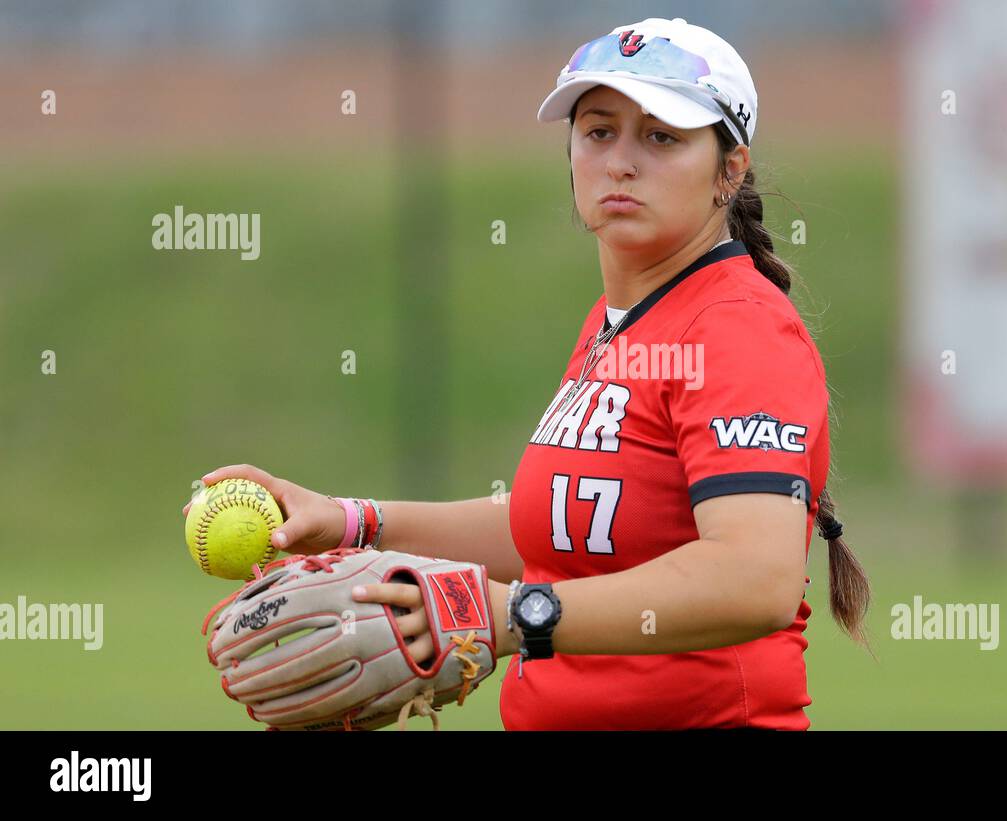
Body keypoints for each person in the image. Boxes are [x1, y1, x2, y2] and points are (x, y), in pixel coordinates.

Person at [185, 16, 868, 730]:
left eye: (662, 135)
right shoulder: (624, 321)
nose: (621, 161)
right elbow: (559, 530)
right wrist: (356, 523)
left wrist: (515, 614)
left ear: (730, 167)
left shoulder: (736, 326)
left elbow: (752, 579)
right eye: (599, 131)